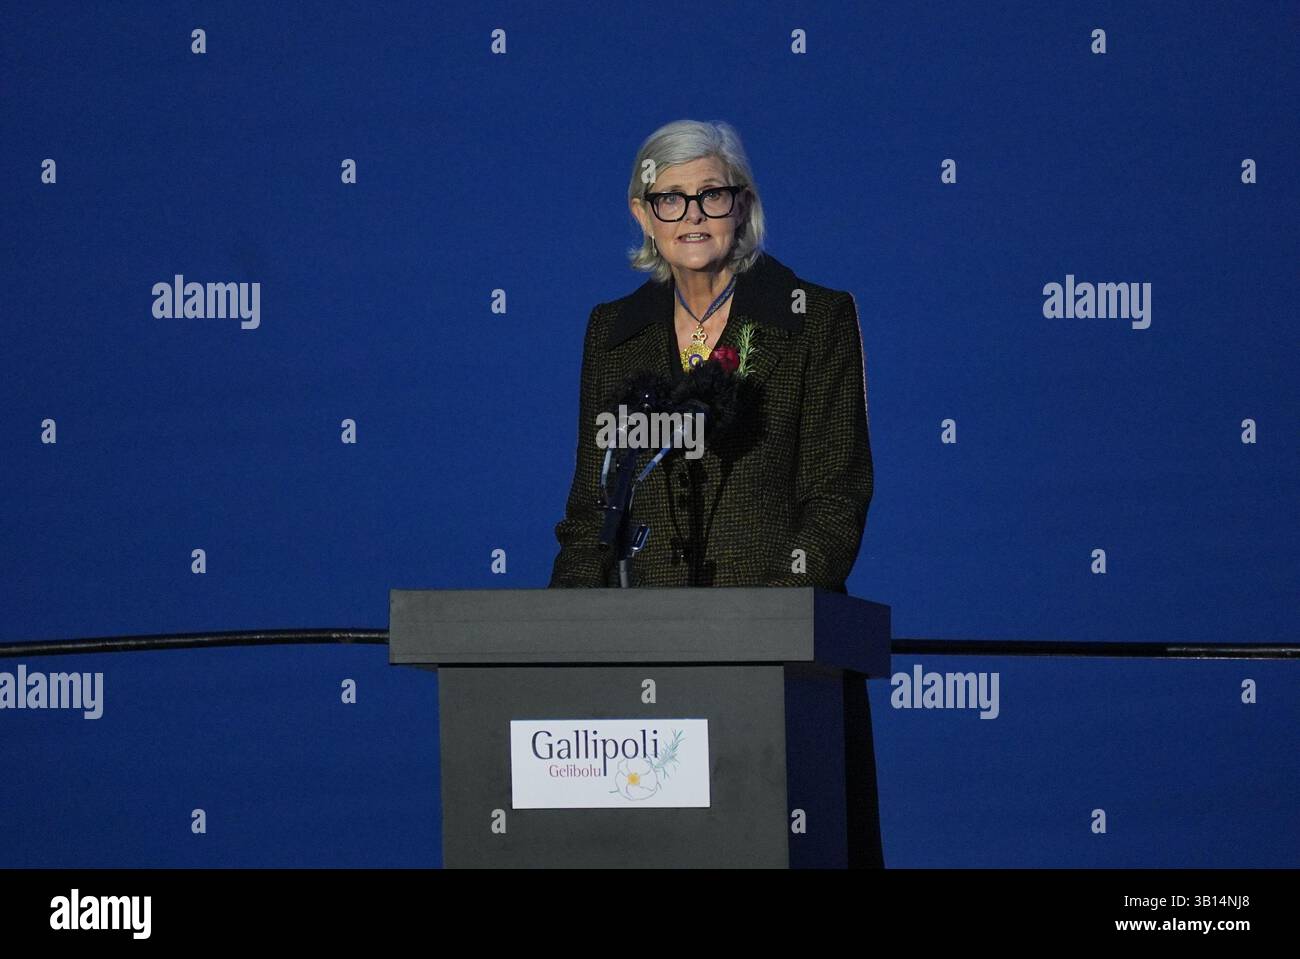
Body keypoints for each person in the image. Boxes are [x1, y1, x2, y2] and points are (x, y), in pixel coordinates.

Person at [549, 119, 873, 591]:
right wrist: (562, 634)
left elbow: (836, 497)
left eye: (711, 195)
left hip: (770, 633)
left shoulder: (815, 319)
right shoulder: (611, 331)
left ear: (741, 206)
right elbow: (590, 513)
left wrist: (768, 618)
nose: (691, 216)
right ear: (643, 215)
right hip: (636, 635)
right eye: (670, 199)